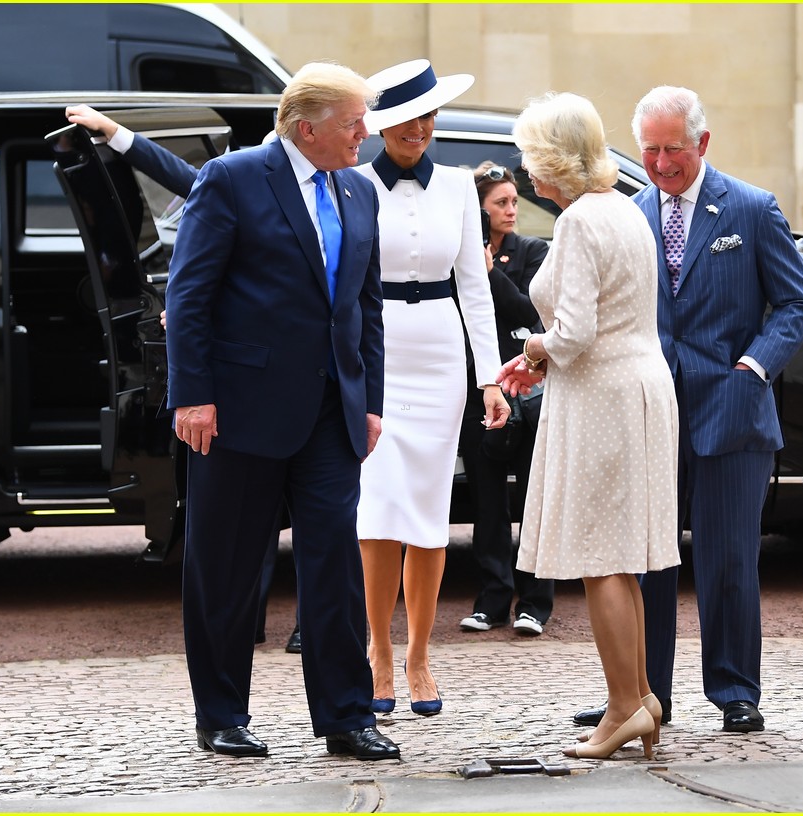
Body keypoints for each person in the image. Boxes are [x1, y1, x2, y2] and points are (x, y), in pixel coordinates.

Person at [164, 61, 399, 761]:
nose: (365, 133)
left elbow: (365, 306)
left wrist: (370, 402)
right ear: (306, 128)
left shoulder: (359, 188)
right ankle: (221, 714)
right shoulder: (233, 178)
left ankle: (347, 716)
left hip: (333, 412)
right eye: (353, 121)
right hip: (239, 409)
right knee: (228, 566)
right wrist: (192, 395)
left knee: (335, 566)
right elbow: (189, 294)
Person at [571, 86, 803, 735]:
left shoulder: (751, 208)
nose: (660, 164)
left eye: (673, 149)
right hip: (649, 410)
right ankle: (640, 693)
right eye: (649, 150)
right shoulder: (630, 213)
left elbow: (798, 304)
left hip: (732, 409)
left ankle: (735, 690)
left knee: (728, 558)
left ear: (702, 142)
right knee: (646, 557)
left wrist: (754, 367)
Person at [63, 104, 304, 656]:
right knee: (259, 510)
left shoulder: (343, 189)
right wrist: (115, 133)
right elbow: (183, 177)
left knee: (322, 514)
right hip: (256, 375)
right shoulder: (242, 185)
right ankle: (248, 621)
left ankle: (310, 624)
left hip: (318, 369)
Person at [495, 91, 679, 761]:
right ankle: (637, 699)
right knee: (619, 559)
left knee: (601, 560)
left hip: (603, 396)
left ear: (553, 160)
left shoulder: (578, 221)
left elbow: (573, 333)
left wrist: (532, 349)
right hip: (636, 386)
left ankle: (627, 706)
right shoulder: (624, 208)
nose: (524, 169)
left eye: (529, 155)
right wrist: (542, 358)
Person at [354, 60, 510, 716]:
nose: (417, 129)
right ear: (380, 126)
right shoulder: (352, 183)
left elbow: (475, 289)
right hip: (375, 353)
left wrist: (489, 377)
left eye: (426, 116)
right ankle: (378, 649)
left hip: (442, 355)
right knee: (376, 507)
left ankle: (418, 654)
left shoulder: (456, 187)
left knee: (427, 509)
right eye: (402, 119)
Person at [456, 162, 554, 637]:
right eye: (501, 203)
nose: (512, 210)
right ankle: (492, 601)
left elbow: (529, 314)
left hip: (528, 391)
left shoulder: (533, 251)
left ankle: (535, 603)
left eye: (514, 201)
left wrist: (491, 273)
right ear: (478, 210)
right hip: (478, 389)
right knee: (487, 501)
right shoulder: (457, 253)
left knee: (534, 496)